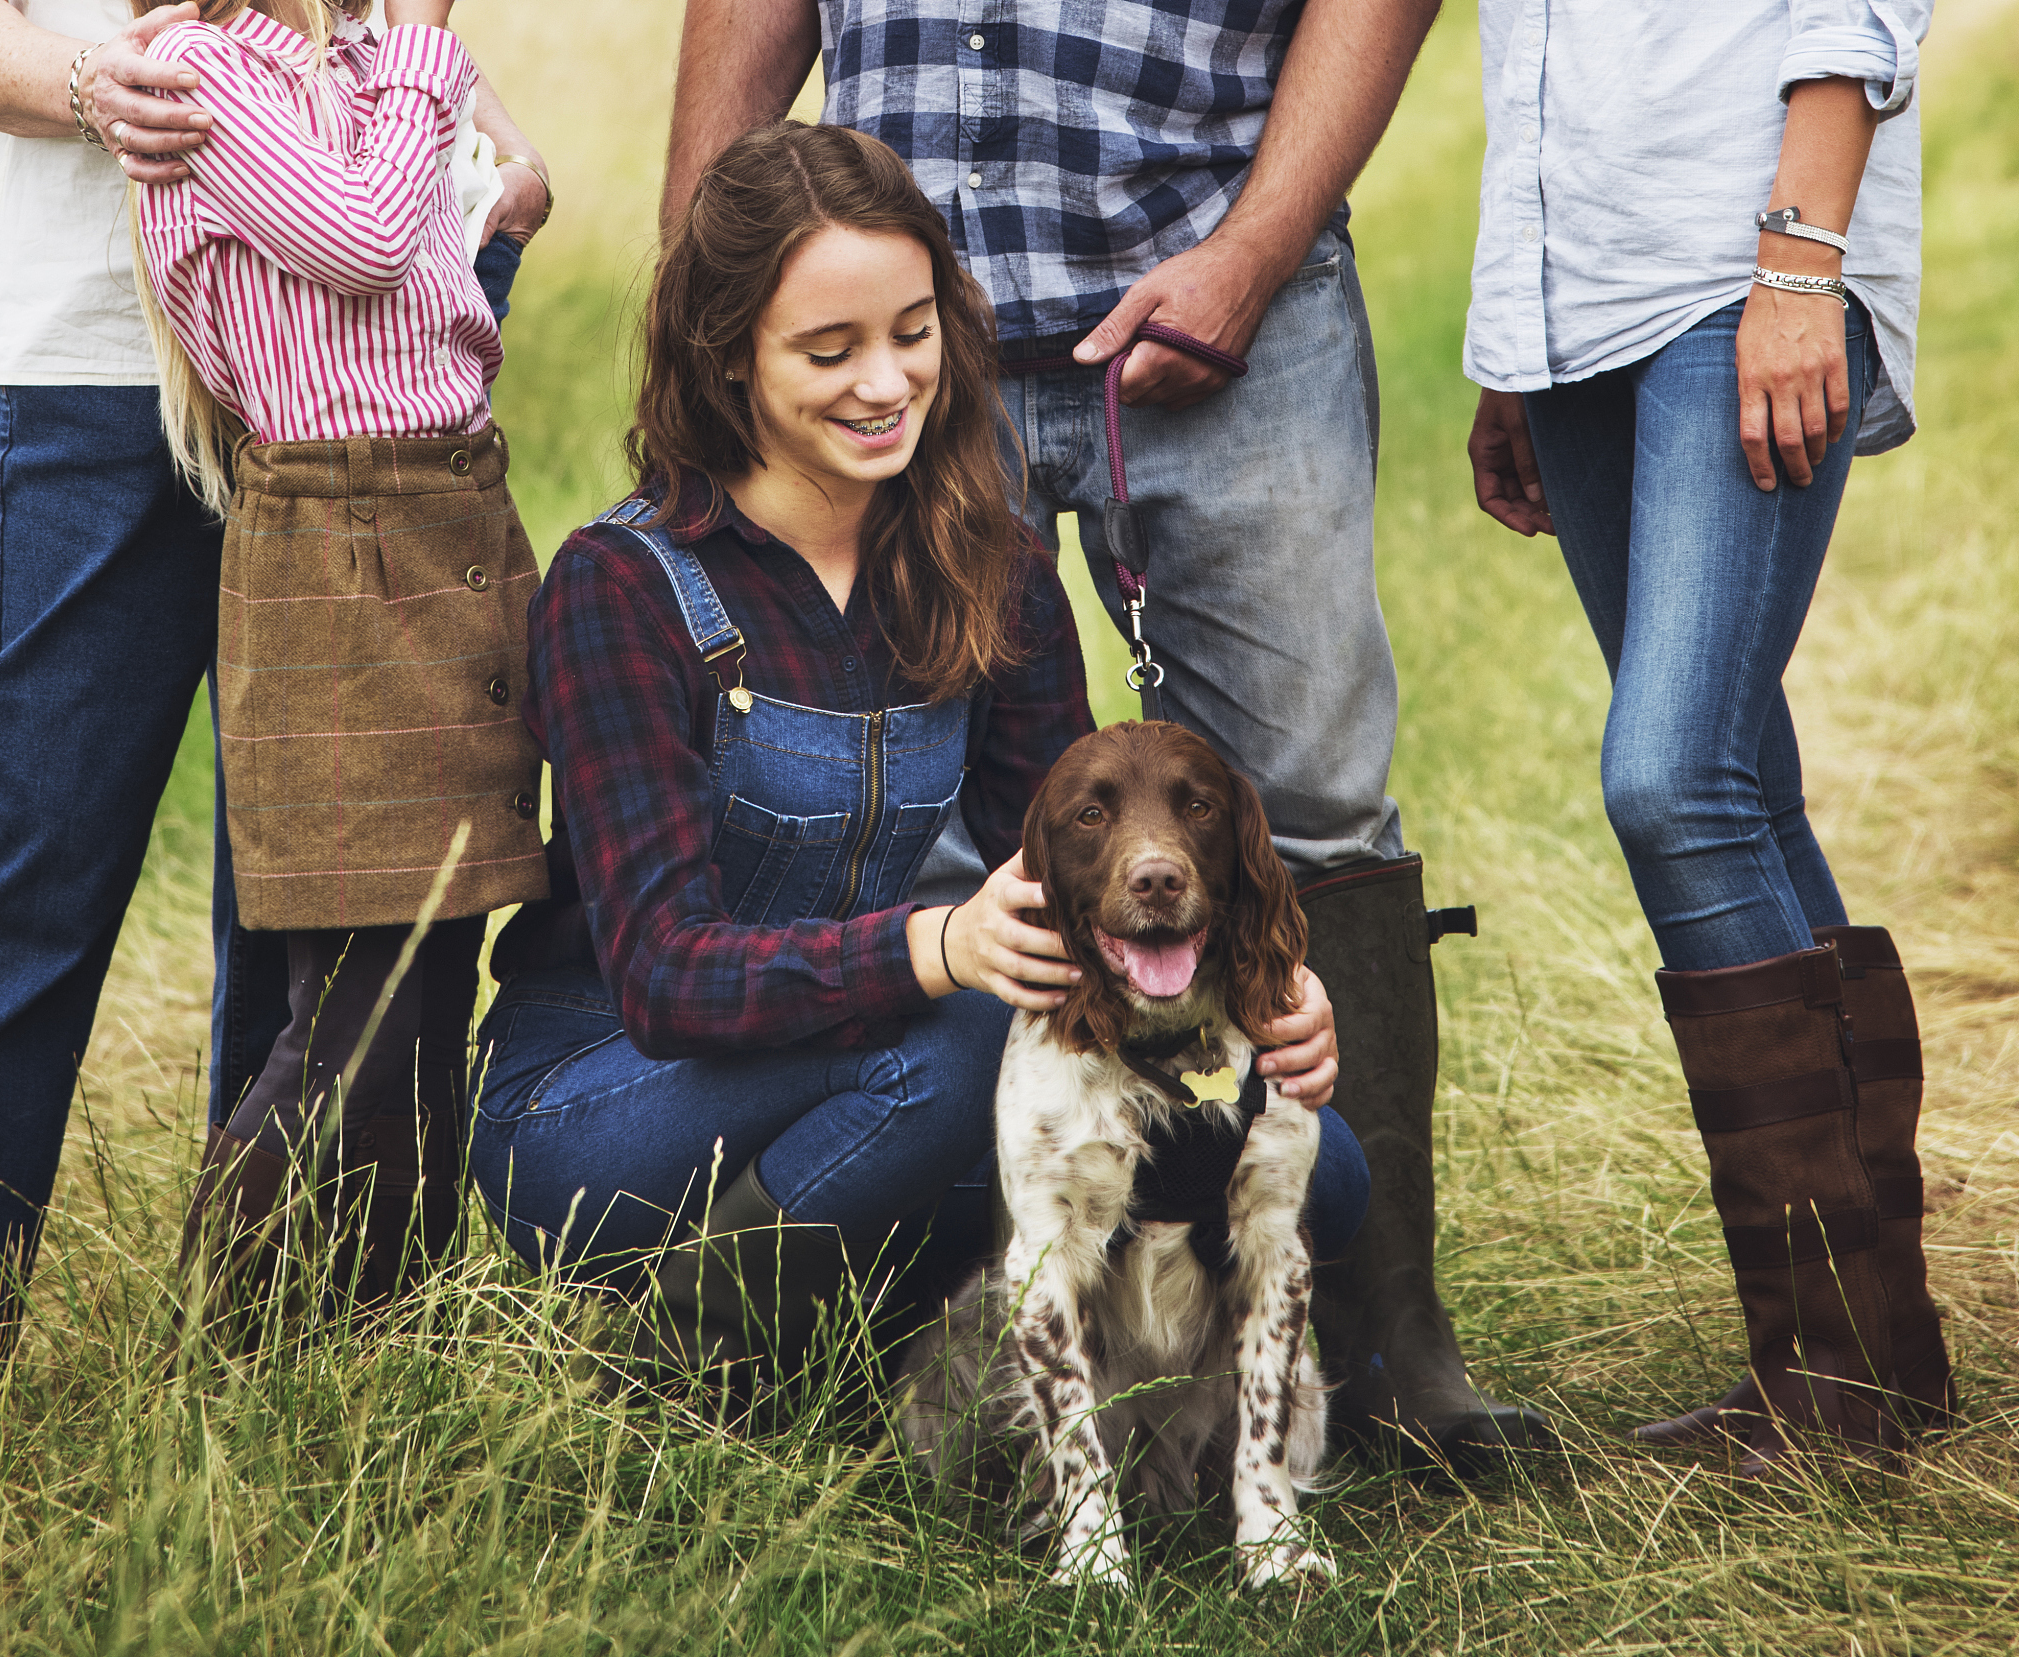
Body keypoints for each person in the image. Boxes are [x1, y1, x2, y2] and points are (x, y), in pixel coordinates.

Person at [656, 0, 1550, 1467]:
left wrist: (1258, 249)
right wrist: (715, 292)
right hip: (900, 348)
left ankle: (1386, 1339)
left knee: (1311, 815)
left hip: (1228, 285)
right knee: (937, 846)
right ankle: (961, 1351)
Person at [470, 122, 1370, 1410]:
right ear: (727, 361)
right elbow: (663, 974)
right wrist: (931, 952)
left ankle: (870, 1341)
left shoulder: (987, 561)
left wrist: (1258, 991)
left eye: (912, 331)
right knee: (957, 1060)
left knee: (1314, 1166)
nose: (886, 383)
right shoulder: (625, 585)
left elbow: (1078, 864)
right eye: (827, 352)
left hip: (878, 1052)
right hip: (601, 1098)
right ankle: (679, 1363)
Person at [0, 0, 549, 1369]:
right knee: (25, 871)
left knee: (324, 906)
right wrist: (97, 84)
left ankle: (277, 1356)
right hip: (89, 373)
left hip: (352, 410)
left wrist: (480, 136)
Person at [1464, 2, 1944, 1474]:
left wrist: (1800, 266)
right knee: (1742, 783)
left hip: (1738, 268)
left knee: (1671, 777)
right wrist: (1510, 334)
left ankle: (1832, 1372)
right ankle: (1871, 1352)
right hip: (1574, 300)